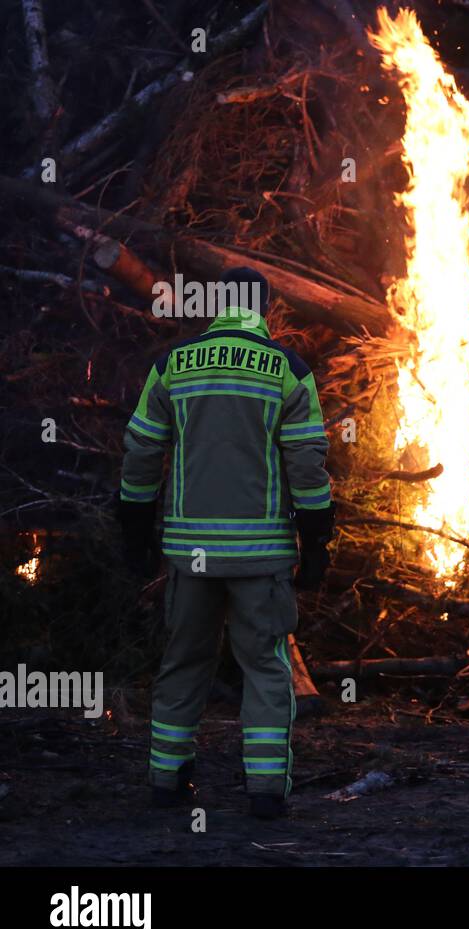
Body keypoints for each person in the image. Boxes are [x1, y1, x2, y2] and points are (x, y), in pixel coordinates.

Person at [117, 267, 334, 819]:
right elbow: (307, 467)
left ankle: (166, 781)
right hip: (261, 559)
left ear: (216, 305)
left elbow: (142, 453)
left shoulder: (172, 365)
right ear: (264, 309)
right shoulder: (289, 370)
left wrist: (135, 530)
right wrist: (317, 542)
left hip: (191, 555)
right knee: (264, 666)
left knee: (184, 660)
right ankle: (264, 792)